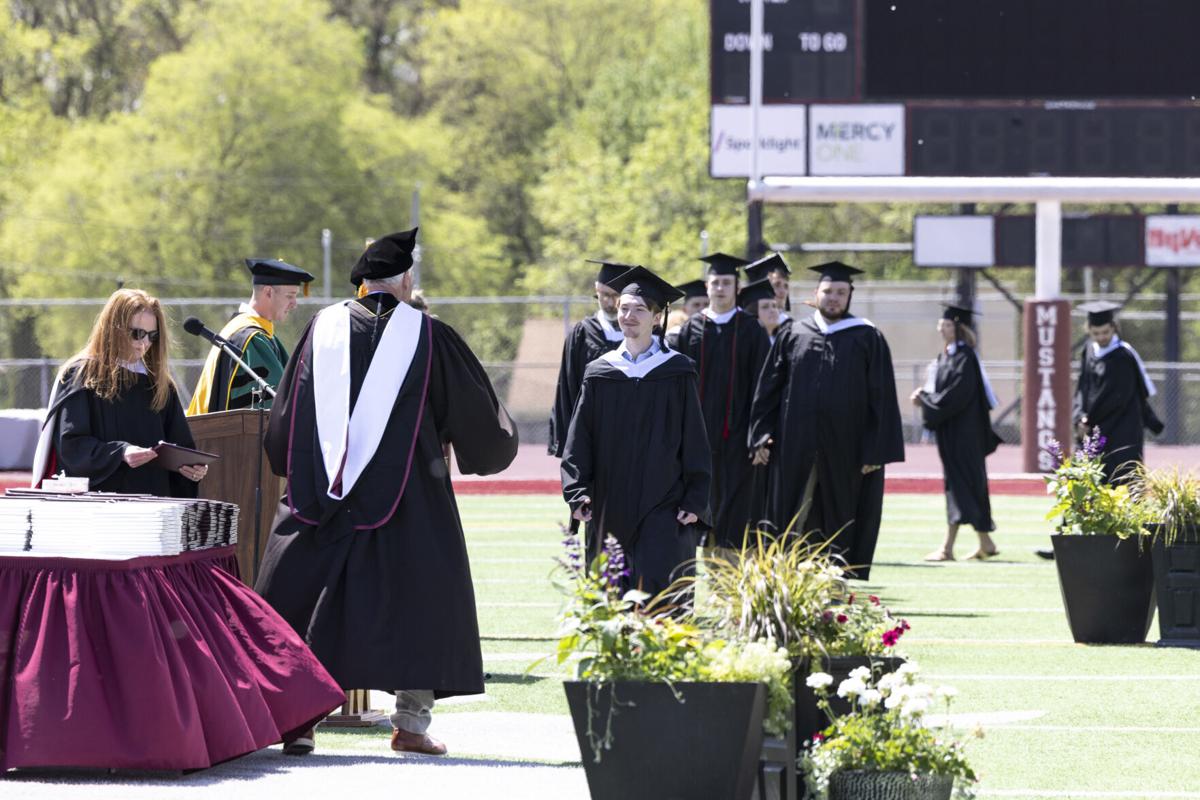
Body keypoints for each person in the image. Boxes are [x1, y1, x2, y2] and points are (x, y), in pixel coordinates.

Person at [254, 228, 519, 757]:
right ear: (405, 280)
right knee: (423, 593)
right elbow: (475, 419)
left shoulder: (323, 329)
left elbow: (287, 413)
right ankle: (411, 725)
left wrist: (292, 466)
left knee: (303, 589)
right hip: (409, 494)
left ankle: (300, 722)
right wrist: (486, 447)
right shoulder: (429, 335)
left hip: (322, 492)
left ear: (362, 284)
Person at [749, 262, 905, 579]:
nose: (833, 297)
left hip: (847, 448)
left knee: (840, 514)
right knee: (791, 512)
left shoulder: (866, 336)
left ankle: (833, 583)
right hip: (795, 444)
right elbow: (769, 389)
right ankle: (785, 582)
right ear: (816, 293)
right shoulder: (794, 333)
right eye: (828, 291)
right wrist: (761, 435)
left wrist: (875, 450)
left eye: (840, 292)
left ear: (849, 296)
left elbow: (882, 398)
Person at [560, 266, 710, 596]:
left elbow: (695, 441)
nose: (628, 316)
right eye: (624, 307)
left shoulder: (677, 372)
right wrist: (577, 491)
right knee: (611, 593)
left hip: (665, 501)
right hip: (609, 502)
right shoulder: (600, 373)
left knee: (662, 590)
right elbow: (579, 439)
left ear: (656, 318)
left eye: (639, 309)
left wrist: (696, 498)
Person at [32, 288, 207, 495]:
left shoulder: (160, 384)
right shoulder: (81, 375)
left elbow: (179, 445)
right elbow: (72, 446)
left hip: (153, 502)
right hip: (101, 503)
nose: (144, 343)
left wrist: (191, 468)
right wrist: (120, 453)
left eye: (152, 336)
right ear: (114, 329)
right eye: (137, 334)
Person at [673, 252, 770, 554]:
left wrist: (759, 435)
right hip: (697, 439)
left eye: (727, 283)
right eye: (715, 282)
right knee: (698, 504)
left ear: (737, 287)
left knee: (736, 508)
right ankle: (702, 568)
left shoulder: (751, 329)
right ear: (707, 286)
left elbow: (764, 387)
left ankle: (731, 572)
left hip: (739, 440)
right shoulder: (691, 330)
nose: (720, 288)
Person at [911, 305, 1002, 562]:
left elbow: (957, 395)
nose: (941, 328)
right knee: (966, 484)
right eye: (941, 324)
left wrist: (925, 400)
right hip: (952, 432)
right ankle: (985, 542)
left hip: (965, 434)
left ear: (959, 328)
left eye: (948, 324)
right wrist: (925, 397)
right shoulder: (946, 356)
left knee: (960, 485)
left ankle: (947, 548)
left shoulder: (965, 358)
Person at [187, 259, 314, 414]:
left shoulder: (243, 329)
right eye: (290, 296)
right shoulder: (252, 339)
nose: (294, 304)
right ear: (268, 292)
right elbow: (269, 409)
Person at [547, 259, 632, 458]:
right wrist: (568, 439)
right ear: (596, 290)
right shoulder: (582, 333)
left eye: (616, 296)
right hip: (591, 429)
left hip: (631, 428)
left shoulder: (641, 334)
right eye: (604, 295)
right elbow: (568, 387)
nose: (610, 303)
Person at [664, 279, 709, 348]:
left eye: (706, 304)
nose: (702, 309)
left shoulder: (719, 332)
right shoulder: (676, 335)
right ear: (684, 310)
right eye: (696, 305)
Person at [745, 252, 792, 317]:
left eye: (786, 286)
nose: (783, 291)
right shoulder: (745, 321)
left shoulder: (787, 321)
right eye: (777, 285)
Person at [739, 277, 784, 344]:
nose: (772, 310)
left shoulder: (785, 341)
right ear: (753, 314)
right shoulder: (747, 344)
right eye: (765, 307)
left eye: (774, 306)